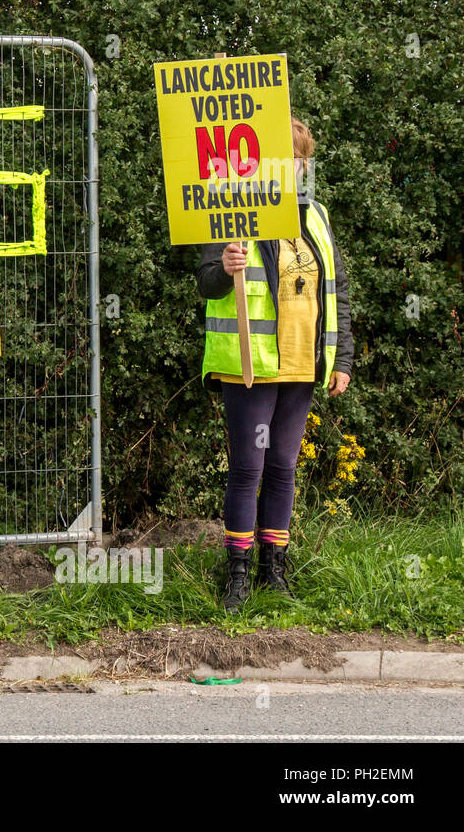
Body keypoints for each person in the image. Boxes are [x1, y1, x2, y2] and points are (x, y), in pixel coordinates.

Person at [195, 117, 354, 612]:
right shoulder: (231, 212)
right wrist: (225, 267)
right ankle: (237, 574)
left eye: (301, 161)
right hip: (252, 364)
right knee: (248, 469)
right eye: (288, 160)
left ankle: (274, 571)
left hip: (304, 363)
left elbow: (338, 290)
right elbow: (206, 282)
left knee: (284, 468)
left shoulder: (316, 216)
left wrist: (341, 356)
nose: (296, 169)